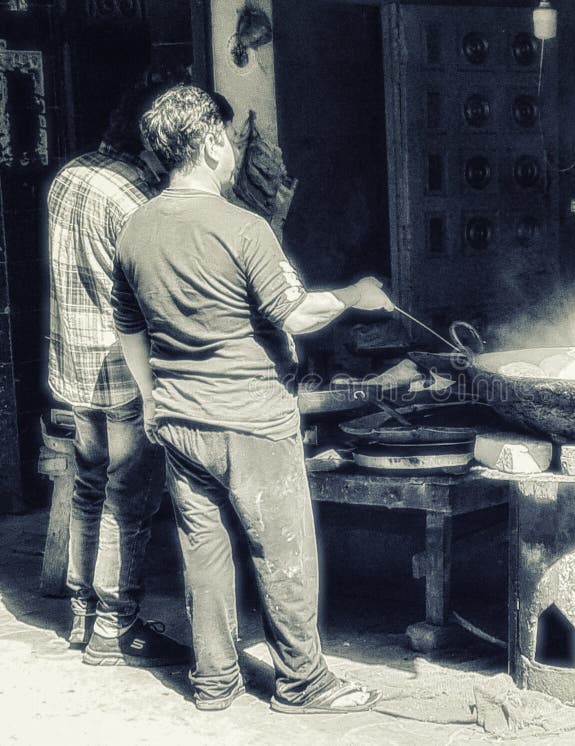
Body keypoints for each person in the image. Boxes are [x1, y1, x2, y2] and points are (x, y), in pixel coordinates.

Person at [111, 84, 392, 713]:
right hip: (251, 420)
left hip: (180, 419)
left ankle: (213, 683)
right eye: (228, 140)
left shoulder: (134, 229)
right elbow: (292, 315)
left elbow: (129, 329)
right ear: (209, 141)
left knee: (203, 552)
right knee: (282, 548)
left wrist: (153, 401)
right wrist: (352, 295)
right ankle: (303, 682)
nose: (233, 151)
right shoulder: (244, 226)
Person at [47, 82, 190, 666]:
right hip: (123, 372)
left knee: (88, 484)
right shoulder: (135, 199)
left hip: (74, 367)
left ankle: (82, 614)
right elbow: (150, 297)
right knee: (127, 500)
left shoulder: (71, 175)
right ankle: (116, 628)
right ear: (151, 142)